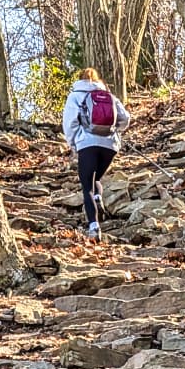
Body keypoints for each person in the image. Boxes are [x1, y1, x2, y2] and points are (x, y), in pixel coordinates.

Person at [62, 68, 131, 243]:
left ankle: (94, 227)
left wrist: (73, 143)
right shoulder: (109, 96)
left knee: (87, 186)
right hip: (110, 146)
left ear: (79, 80)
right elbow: (125, 118)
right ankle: (99, 199)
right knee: (96, 179)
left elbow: (70, 123)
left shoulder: (75, 96)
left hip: (87, 144)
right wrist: (115, 132)